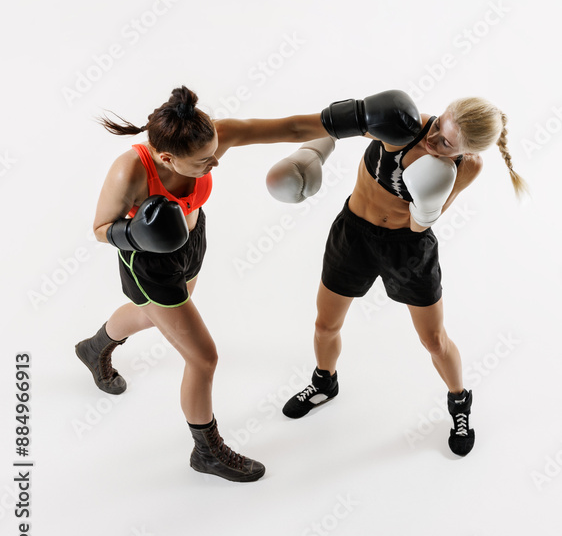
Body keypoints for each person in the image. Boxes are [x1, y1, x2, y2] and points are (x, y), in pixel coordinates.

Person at [76, 84, 336, 483]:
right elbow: (99, 229)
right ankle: (206, 452)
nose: (215, 162)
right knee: (203, 358)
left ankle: (94, 348)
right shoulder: (129, 171)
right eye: (203, 162)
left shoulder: (209, 137)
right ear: (167, 158)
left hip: (192, 241)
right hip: (150, 262)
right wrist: (137, 233)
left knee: (150, 317)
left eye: (214, 153)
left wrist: (357, 119)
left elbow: (291, 128)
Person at [267, 94, 529, 457]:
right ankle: (325, 382)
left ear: (466, 151)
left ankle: (459, 402)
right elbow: (329, 125)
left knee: (434, 340)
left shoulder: (468, 166)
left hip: (408, 247)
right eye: (438, 126)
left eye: (446, 144)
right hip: (354, 234)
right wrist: (311, 153)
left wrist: (432, 195)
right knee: (325, 325)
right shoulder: (400, 122)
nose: (432, 139)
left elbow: (423, 223)